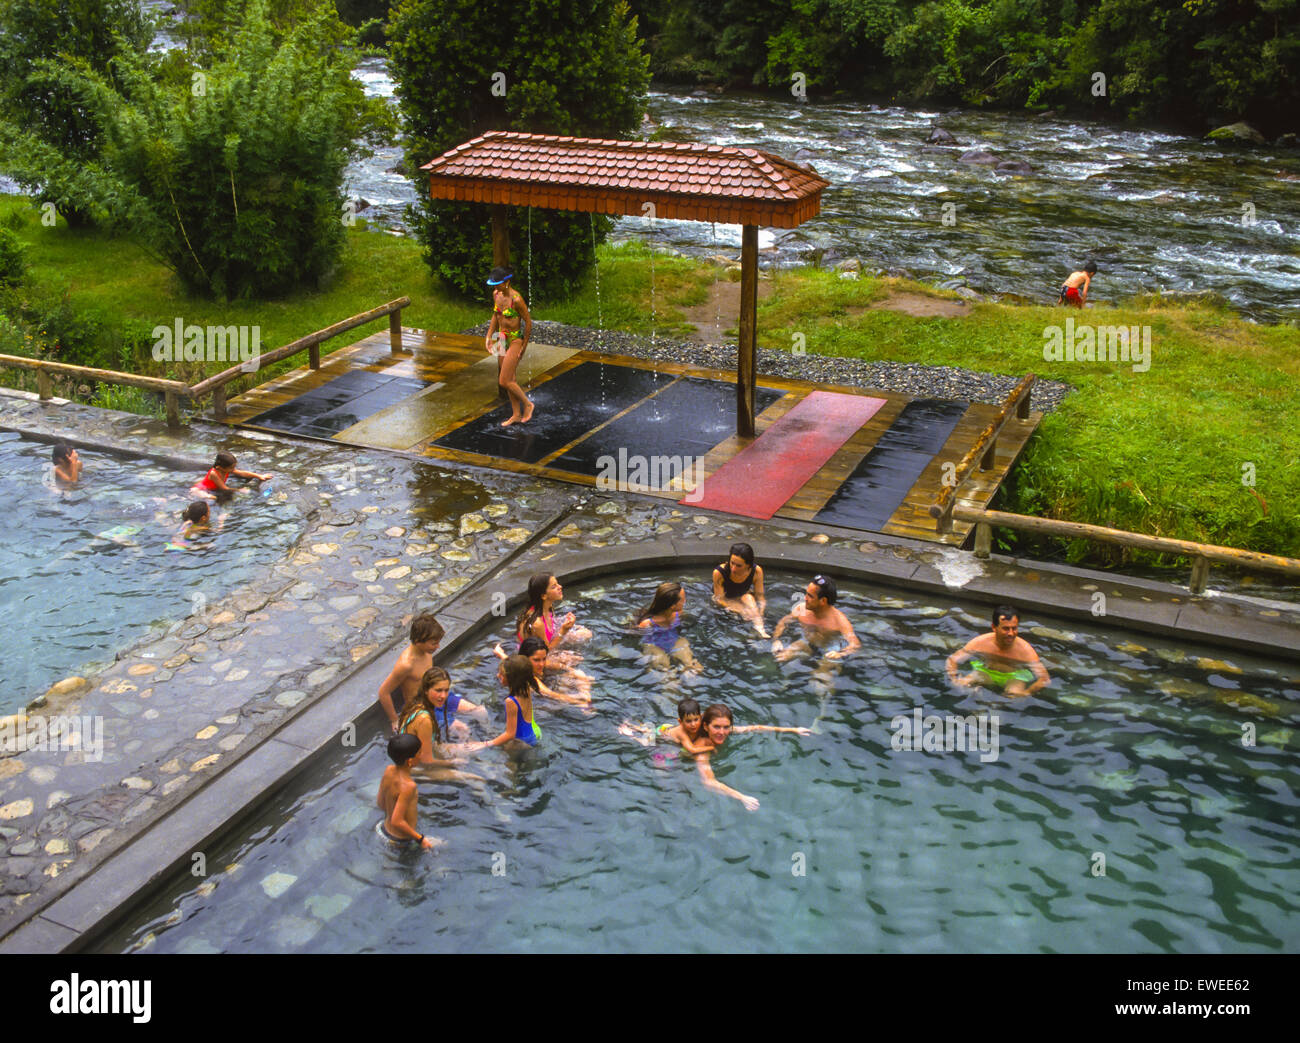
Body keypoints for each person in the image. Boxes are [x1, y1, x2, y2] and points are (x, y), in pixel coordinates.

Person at [396, 668, 487, 784]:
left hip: (427, 749)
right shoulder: (424, 719)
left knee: (476, 749)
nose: (443, 696)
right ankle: (419, 774)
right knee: (477, 780)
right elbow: (426, 760)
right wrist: (452, 762)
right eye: (438, 690)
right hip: (415, 765)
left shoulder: (417, 703)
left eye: (446, 690)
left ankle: (486, 767)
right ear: (426, 690)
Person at [946, 604, 1050, 698]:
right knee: (962, 685)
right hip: (986, 672)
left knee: (1014, 697)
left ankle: (996, 708)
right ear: (994, 627)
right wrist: (954, 678)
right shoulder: (980, 642)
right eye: (1006, 628)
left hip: (1014, 677)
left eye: (1014, 628)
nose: (1011, 633)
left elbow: (1044, 679)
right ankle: (978, 706)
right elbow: (952, 660)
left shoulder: (1025, 651)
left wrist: (1026, 693)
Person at [377, 614, 445, 732]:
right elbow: (383, 692)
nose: (438, 647)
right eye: (434, 643)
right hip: (418, 711)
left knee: (478, 711)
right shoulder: (406, 665)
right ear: (419, 642)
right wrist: (394, 719)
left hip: (433, 701)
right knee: (443, 747)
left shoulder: (427, 652)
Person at [484, 266, 533, 426]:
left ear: (507, 282)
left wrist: (524, 346)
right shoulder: (496, 295)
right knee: (510, 378)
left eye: (498, 284)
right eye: (494, 285)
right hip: (501, 339)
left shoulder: (516, 299)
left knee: (504, 380)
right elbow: (495, 315)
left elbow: (528, 322)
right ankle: (516, 414)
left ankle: (527, 404)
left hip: (514, 340)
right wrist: (489, 335)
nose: (495, 287)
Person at [771, 574, 860, 662]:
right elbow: (783, 622)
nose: (805, 598)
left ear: (823, 601)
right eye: (806, 593)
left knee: (820, 675)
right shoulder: (801, 609)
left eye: (810, 596)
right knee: (781, 657)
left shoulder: (840, 621)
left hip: (831, 650)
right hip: (806, 643)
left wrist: (840, 654)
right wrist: (776, 640)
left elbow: (855, 645)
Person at [462, 655, 541, 751]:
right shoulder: (526, 687)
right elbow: (521, 668)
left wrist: (484, 744)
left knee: (508, 765)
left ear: (512, 678)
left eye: (502, 674)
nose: (498, 675)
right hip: (533, 733)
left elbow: (510, 734)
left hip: (519, 743)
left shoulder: (511, 701)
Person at [376, 733, 439, 850]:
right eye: (419, 753)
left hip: (383, 829)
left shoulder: (388, 770)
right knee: (444, 845)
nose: (421, 755)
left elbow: (380, 803)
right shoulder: (409, 786)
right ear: (410, 761)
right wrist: (420, 839)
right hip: (400, 841)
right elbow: (396, 821)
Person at [494, 636, 592, 705]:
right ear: (525, 658)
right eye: (536, 660)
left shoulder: (540, 664)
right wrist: (579, 702)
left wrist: (584, 688)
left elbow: (568, 668)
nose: (541, 664)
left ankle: (587, 697)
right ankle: (586, 702)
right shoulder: (529, 679)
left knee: (578, 673)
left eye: (544, 659)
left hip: (550, 692)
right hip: (543, 705)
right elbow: (553, 695)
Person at [517, 573, 592, 655]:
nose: (560, 587)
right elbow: (545, 652)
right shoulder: (537, 623)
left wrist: (565, 624)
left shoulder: (547, 606)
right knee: (575, 658)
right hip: (533, 655)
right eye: (554, 587)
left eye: (557, 584)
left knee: (586, 634)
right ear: (544, 596)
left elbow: (552, 624)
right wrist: (563, 631)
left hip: (549, 642)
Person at [637, 581, 703, 673]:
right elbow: (645, 644)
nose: (685, 601)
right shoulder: (647, 624)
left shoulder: (678, 614)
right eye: (683, 599)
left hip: (675, 644)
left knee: (695, 669)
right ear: (672, 606)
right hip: (656, 647)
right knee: (668, 679)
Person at [712, 542, 768, 637]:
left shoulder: (756, 571)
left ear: (748, 565)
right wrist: (740, 610)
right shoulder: (719, 573)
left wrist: (760, 613)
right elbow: (719, 599)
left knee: (748, 598)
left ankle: (760, 629)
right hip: (726, 600)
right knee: (747, 608)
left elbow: (760, 596)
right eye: (732, 563)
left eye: (739, 566)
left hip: (744, 597)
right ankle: (753, 633)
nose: (733, 569)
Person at [193, 450, 271, 497]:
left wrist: (259, 476)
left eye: (233, 467)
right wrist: (240, 490)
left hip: (211, 489)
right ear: (220, 467)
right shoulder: (214, 474)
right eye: (231, 468)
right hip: (201, 490)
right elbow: (224, 488)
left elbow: (242, 473)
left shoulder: (227, 470)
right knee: (211, 499)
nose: (233, 470)